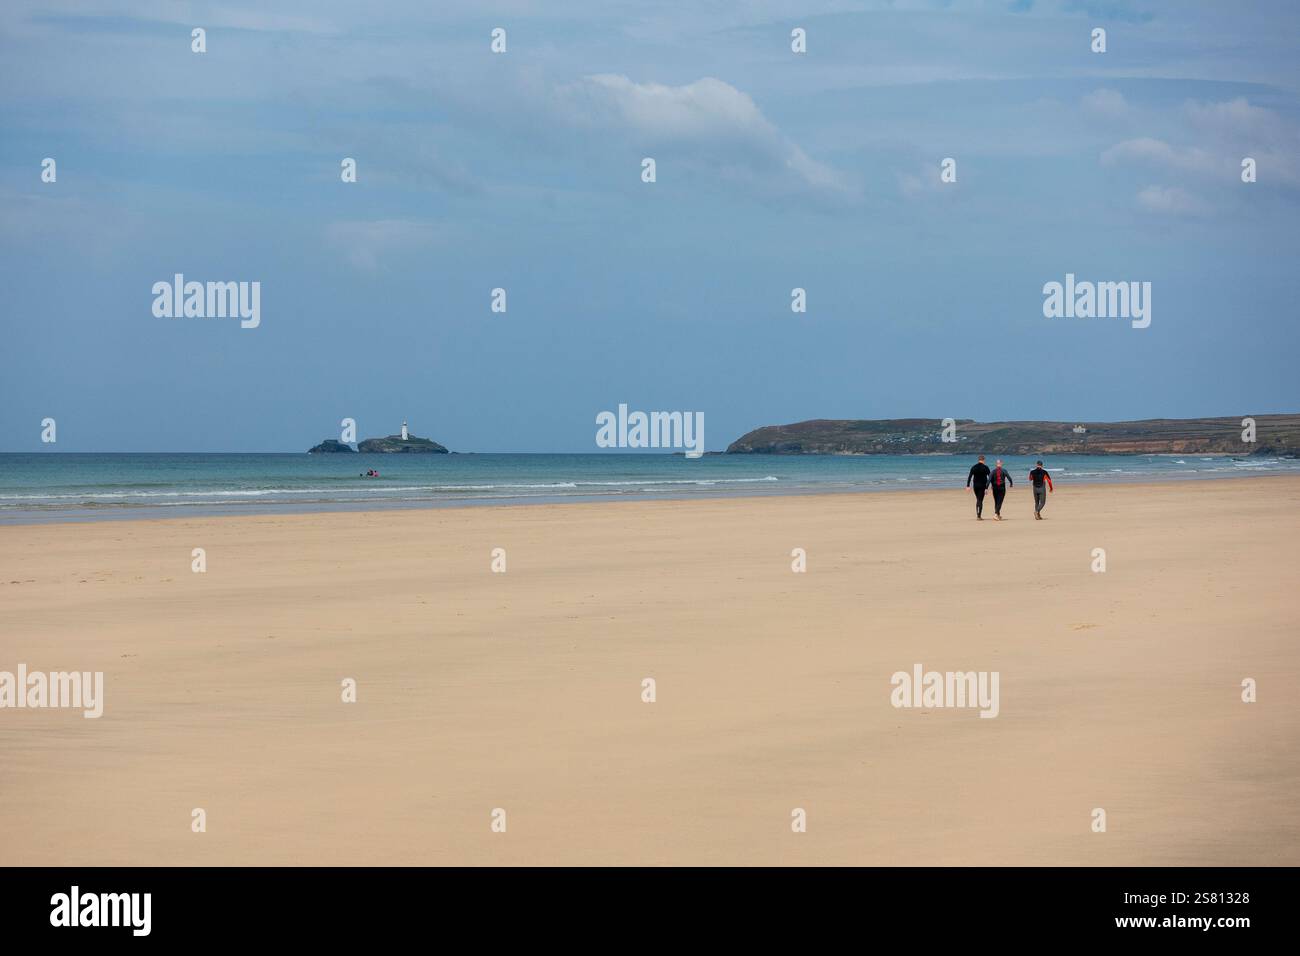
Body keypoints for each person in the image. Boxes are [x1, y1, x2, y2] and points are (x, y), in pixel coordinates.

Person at [966, 455, 991, 520]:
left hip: (975, 486)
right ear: (983, 460)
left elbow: (970, 477)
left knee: (978, 499)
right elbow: (990, 478)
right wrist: (987, 487)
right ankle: (979, 516)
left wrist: (968, 486)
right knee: (980, 500)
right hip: (982, 486)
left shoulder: (974, 467)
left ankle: (978, 515)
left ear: (978, 460)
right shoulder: (986, 467)